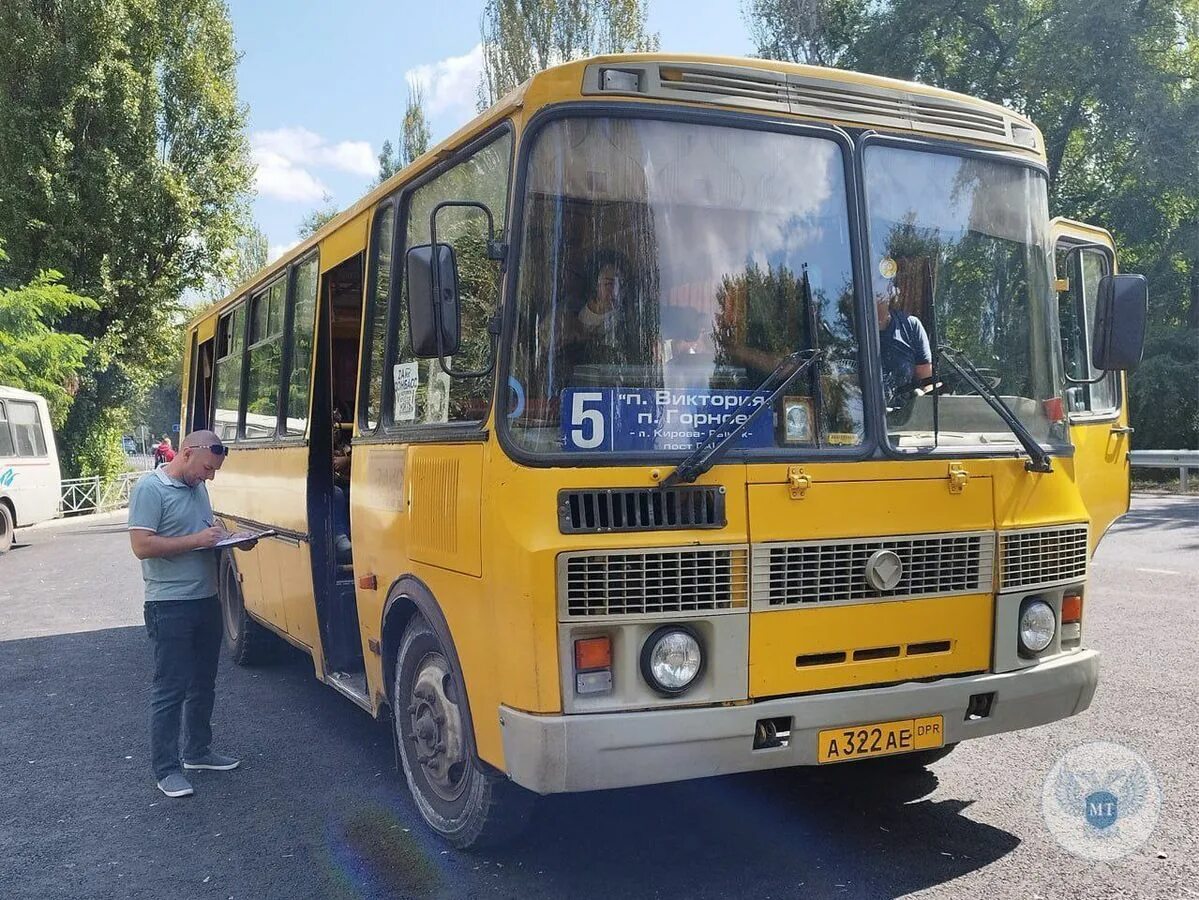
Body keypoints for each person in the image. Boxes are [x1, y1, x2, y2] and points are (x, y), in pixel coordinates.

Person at [127, 429, 257, 798]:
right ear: (185, 453)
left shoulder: (197, 487)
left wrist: (232, 538)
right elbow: (142, 545)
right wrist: (198, 542)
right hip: (169, 605)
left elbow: (205, 532)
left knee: (203, 682)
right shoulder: (149, 489)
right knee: (170, 689)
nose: (209, 476)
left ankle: (198, 752)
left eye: (213, 471)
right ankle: (166, 769)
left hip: (206, 599)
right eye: (206, 468)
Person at [876, 284, 933, 409]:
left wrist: (919, 395)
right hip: (855, 422)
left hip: (905, 424)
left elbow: (928, 383)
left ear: (891, 294)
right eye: (874, 292)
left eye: (880, 291)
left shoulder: (911, 326)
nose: (878, 297)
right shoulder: (845, 332)